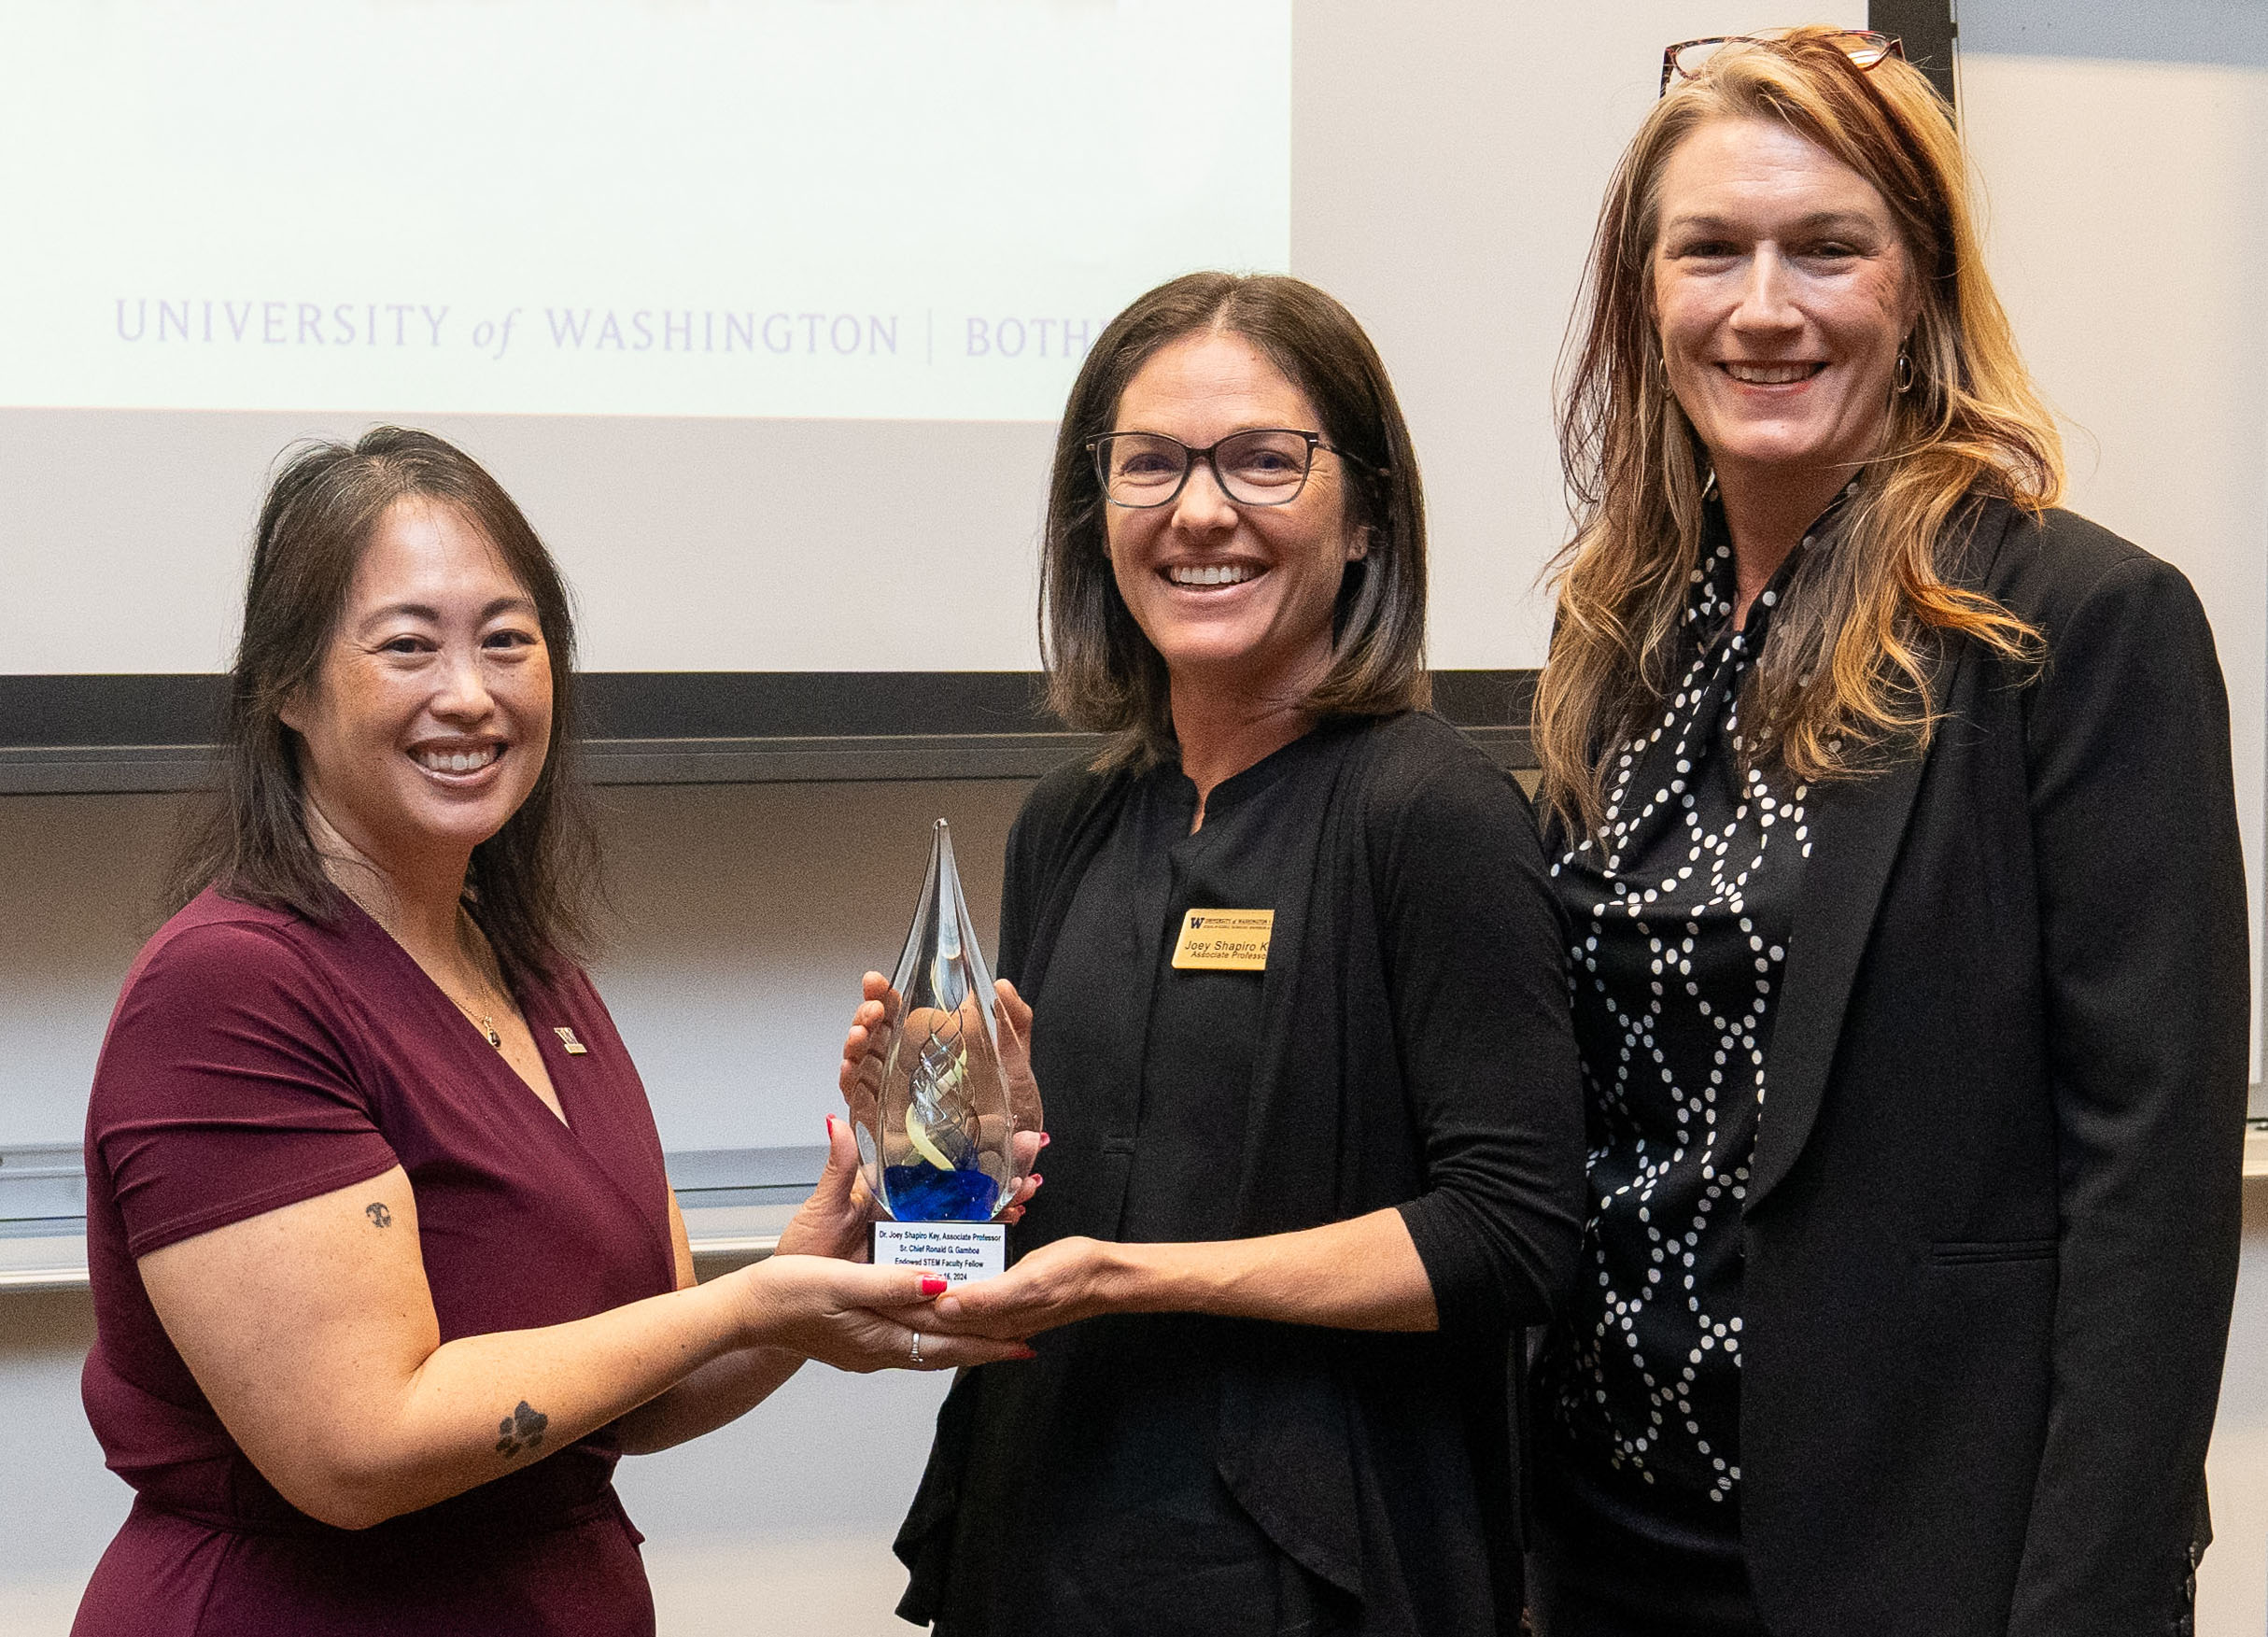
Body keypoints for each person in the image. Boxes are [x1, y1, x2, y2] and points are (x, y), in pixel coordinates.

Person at [1525, 29, 2248, 1637]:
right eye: (1707, 249)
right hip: (1605, 1541)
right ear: (1644, 302)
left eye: (1825, 248)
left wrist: (2086, 1604)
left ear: (1914, 286)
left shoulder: (2073, 624)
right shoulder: (1625, 645)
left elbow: (2152, 1183)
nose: (1761, 306)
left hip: (1929, 1560)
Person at [72, 428, 1028, 1637]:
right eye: (407, 645)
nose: (469, 693)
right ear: (288, 687)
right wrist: (752, 1300)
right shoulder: (230, 989)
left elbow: (632, 1382)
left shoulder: (531, 972)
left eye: (508, 641)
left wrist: (819, 1255)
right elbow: (358, 1449)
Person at [839, 272, 1587, 1636]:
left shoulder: (1430, 814)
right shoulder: (1068, 822)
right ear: (1096, 516)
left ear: (1362, 516)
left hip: (1318, 1563)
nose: (1198, 511)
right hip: (1048, 1527)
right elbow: (1060, 1186)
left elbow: (1514, 1237)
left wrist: (1141, 1272)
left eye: (1261, 461)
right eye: (1149, 466)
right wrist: (954, 1152)